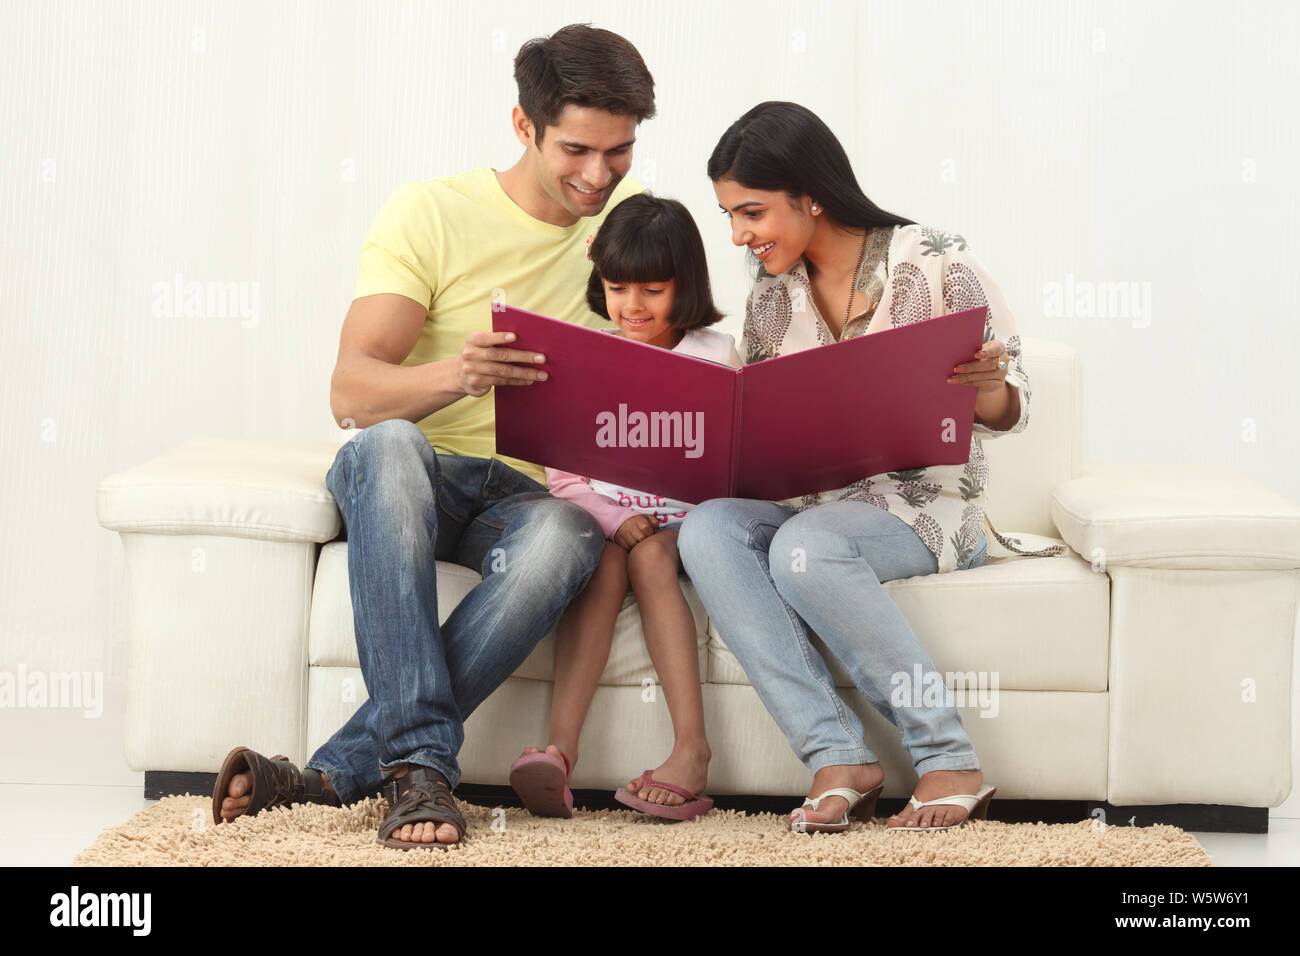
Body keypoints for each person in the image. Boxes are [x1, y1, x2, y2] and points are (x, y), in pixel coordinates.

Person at [210, 24, 657, 850]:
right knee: (388, 445)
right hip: (412, 476)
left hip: (526, 495)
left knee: (568, 535)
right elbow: (351, 392)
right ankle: (421, 763)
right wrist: (459, 373)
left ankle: (338, 775)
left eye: (620, 151)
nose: (599, 176)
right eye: (576, 151)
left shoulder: (629, 226)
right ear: (523, 127)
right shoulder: (432, 212)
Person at [680, 101, 1058, 834]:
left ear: (811, 194)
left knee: (806, 547)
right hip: (814, 502)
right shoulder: (769, 295)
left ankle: (949, 759)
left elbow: (1017, 405)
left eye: (751, 213)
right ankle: (838, 756)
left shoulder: (938, 260)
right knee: (709, 530)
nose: (739, 235)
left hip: (927, 508)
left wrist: (987, 388)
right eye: (728, 216)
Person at [507, 194, 741, 821]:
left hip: (689, 527)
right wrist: (616, 521)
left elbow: (743, 461)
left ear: (685, 285)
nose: (632, 307)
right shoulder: (584, 358)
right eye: (617, 289)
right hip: (610, 525)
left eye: (653, 290)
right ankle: (559, 754)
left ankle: (691, 748)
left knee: (651, 559)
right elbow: (565, 478)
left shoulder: (719, 356)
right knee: (604, 561)